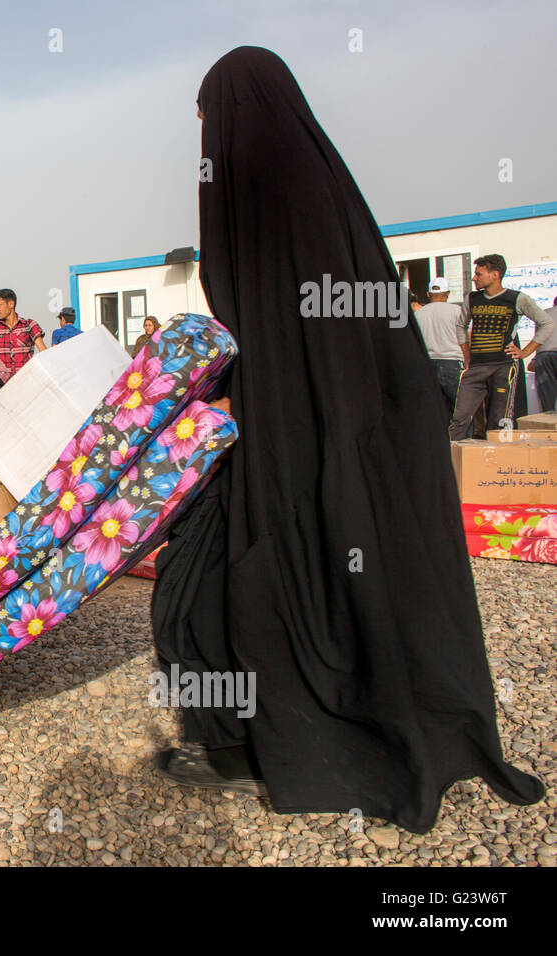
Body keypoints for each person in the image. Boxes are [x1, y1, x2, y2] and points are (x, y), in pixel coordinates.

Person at [150, 46, 542, 833]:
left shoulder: (253, 187)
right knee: (333, 573)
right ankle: (311, 735)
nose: (202, 139)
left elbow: (256, 320)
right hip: (355, 429)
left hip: (297, 433)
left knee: (215, 587)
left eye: (204, 120)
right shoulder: (320, 184)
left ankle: (279, 745)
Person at [448, 254, 554, 439]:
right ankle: (449, 462)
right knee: (459, 418)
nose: (474, 278)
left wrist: (526, 352)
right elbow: (461, 325)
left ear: (495, 275)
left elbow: (546, 323)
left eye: (479, 274)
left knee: (500, 420)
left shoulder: (516, 298)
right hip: (476, 368)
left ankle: (497, 463)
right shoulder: (472, 298)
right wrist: (466, 354)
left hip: (503, 367)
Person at [414, 277, 469, 424]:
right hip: (453, 364)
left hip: (427, 365)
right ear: (447, 294)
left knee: (432, 411)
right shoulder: (457, 311)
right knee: (460, 410)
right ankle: (463, 443)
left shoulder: (418, 315)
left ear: (428, 294)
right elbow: (466, 338)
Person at [0, 289, 45, 382]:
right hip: (2, 385)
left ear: (11, 304)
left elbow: (44, 352)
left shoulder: (29, 325)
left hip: (26, 382)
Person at [531, 303, 557, 412]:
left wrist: (535, 359)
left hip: (544, 355)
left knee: (547, 397)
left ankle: (548, 423)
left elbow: (539, 339)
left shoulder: (544, 313)